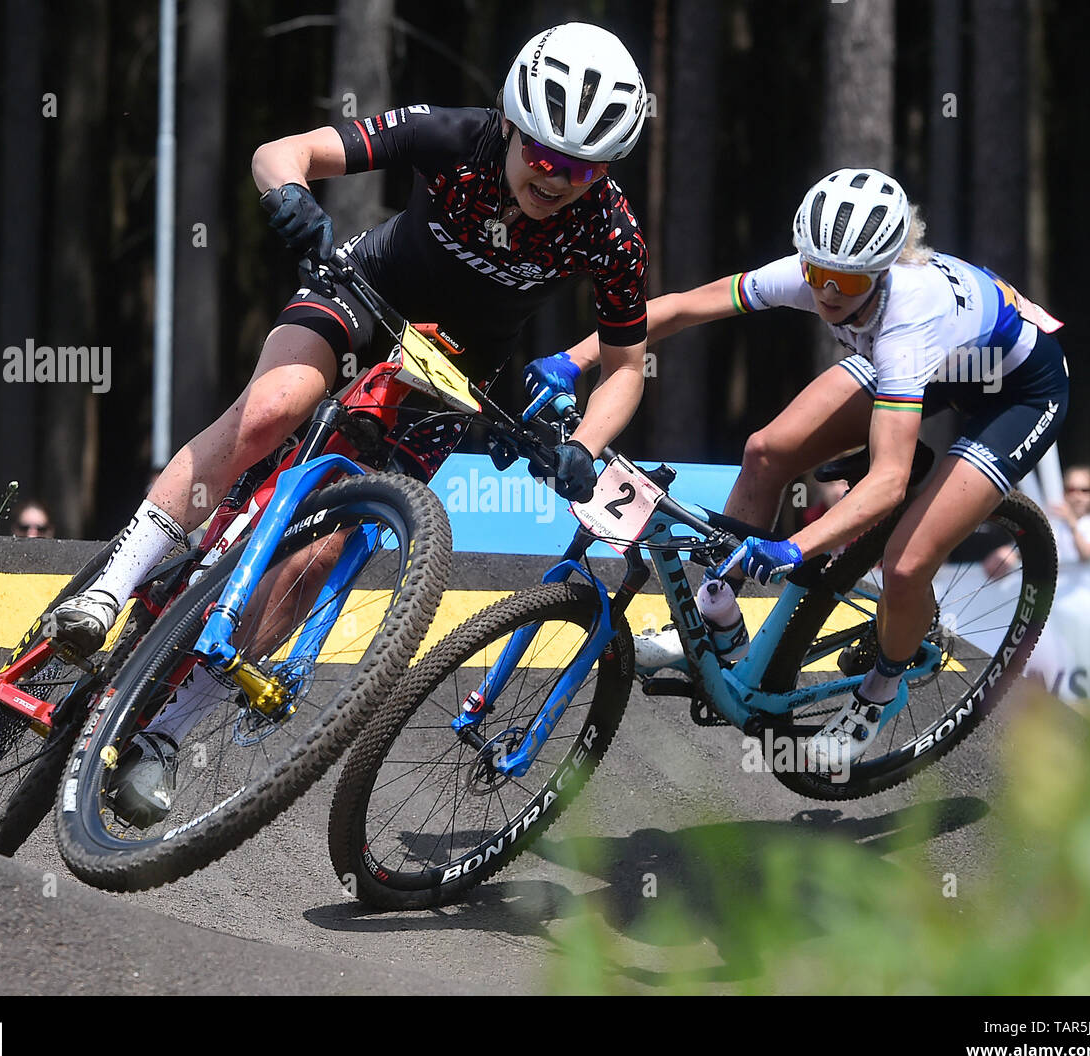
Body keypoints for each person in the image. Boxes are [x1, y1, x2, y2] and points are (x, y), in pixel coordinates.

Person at [48, 22, 652, 823]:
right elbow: (280, 151)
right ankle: (110, 590)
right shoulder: (454, 135)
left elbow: (626, 367)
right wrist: (291, 197)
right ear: (509, 122)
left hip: (454, 372)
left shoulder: (610, 230)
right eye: (543, 155)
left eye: (581, 167)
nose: (557, 178)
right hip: (368, 294)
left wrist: (585, 444)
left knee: (328, 548)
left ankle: (165, 734)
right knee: (271, 410)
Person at [529, 167, 1070, 765]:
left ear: (884, 268)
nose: (828, 292)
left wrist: (795, 547)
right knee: (766, 451)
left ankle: (880, 692)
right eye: (817, 272)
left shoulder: (907, 321)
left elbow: (888, 481)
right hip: (936, 364)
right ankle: (716, 617)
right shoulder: (815, 271)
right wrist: (573, 358)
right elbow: (683, 308)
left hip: (1019, 391)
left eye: (846, 279)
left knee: (908, 562)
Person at [1049, 464, 1090, 562]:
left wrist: (1071, 522)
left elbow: (1087, 555)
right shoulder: (1056, 523)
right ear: (1064, 492)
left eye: (1084, 490)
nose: (1078, 496)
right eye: (1072, 490)